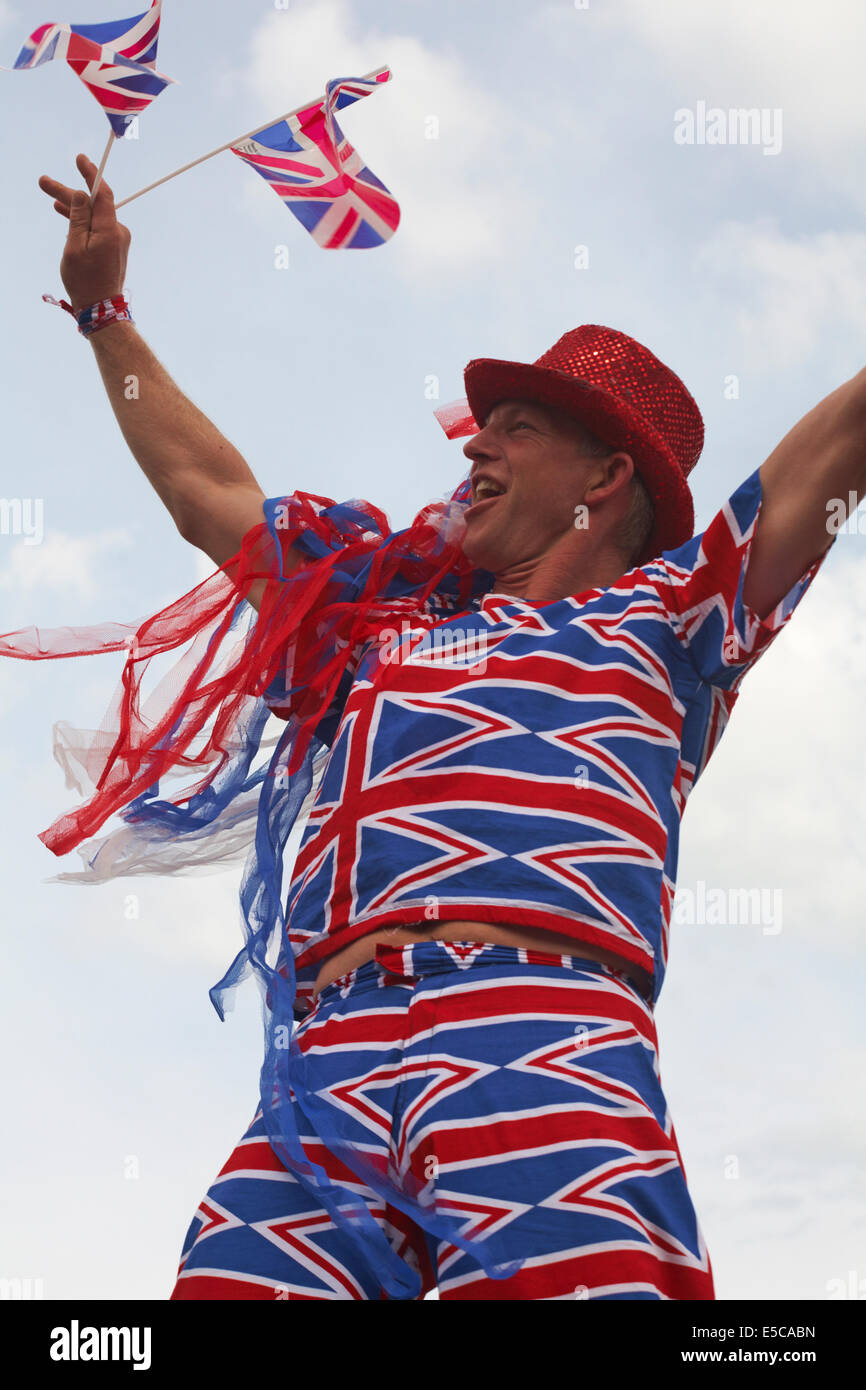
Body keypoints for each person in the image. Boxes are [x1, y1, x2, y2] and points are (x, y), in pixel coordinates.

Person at [19, 152, 861, 1300]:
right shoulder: (370, 618)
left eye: (514, 428)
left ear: (604, 477)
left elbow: (836, 448)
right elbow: (203, 493)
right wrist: (104, 312)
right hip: (324, 1076)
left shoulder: (675, 620)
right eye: (483, 427)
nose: (472, 447)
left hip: (542, 1040)